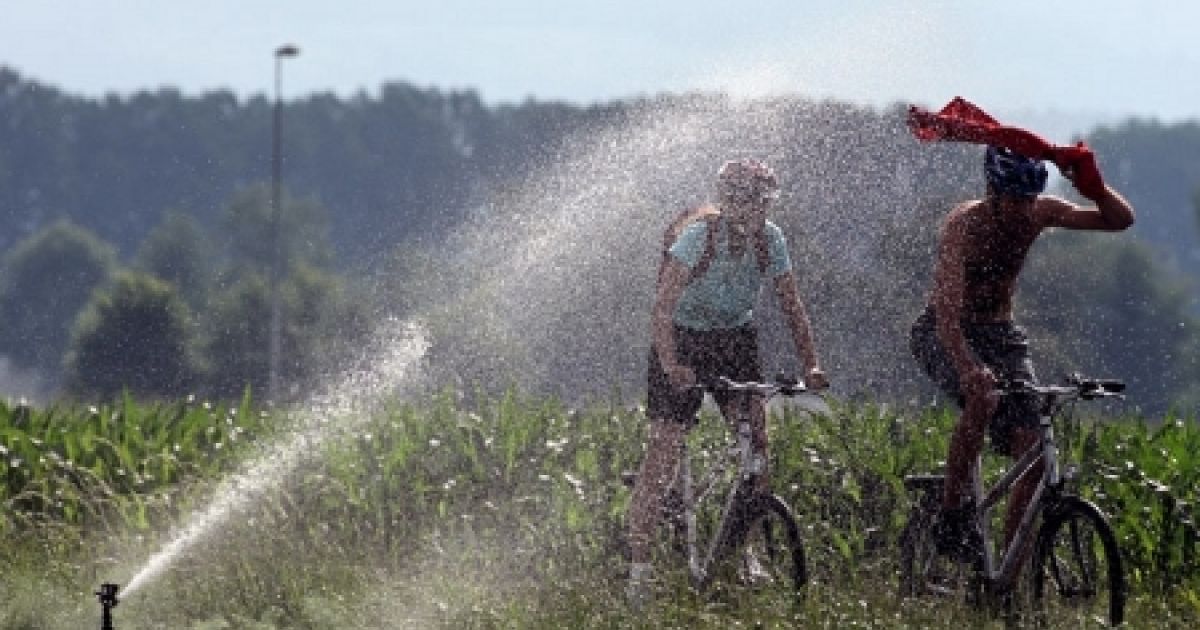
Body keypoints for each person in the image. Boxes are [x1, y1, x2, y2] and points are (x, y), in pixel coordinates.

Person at [910, 144, 1135, 560]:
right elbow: (945, 313)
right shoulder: (964, 226)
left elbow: (1120, 220)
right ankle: (951, 515)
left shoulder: (1039, 212)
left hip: (1001, 334)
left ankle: (1006, 579)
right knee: (982, 397)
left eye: (1029, 198)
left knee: (1032, 449)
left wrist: (1095, 187)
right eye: (1015, 199)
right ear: (993, 192)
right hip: (945, 331)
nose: (1023, 209)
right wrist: (968, 367)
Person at [625, 157, 828, 605]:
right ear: (728, 200)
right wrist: (672, 363)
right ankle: (639, 573)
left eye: (762, 201)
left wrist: (812, 364)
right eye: (745, 199)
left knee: (756, 442)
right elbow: (661, 308)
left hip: (735, 337)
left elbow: (792, 307)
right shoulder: (699, 238)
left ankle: (748, 549)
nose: (754, 209)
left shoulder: (771, 240)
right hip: (680, 337)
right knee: (665, 446)